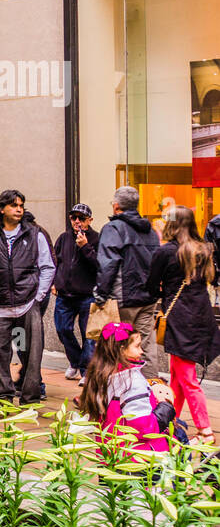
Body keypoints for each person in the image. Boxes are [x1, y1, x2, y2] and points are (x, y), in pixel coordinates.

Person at [0, 189, 54, 404]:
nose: (19, 209)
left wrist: (38, 296)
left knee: (30, 354)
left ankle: (30, 397)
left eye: (21, 205)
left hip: (27, 305)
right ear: (1, 209)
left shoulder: (35, 234)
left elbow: (47, 267)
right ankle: (2, 398)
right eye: (14, 205)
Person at [146, 206, 220, 445]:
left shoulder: (166, 252)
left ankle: (205, 430)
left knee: (186, 377)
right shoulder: (205, 250)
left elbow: (150, 285)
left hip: (178, 319)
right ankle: (169, 421)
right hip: (202, 315)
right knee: (177, 373)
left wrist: (160, 290)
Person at [94, 185, 161, 372]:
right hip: (148, 298)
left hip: (123, 298)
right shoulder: (150, 231)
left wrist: (100, 295)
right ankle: (151, 388)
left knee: (116, 347)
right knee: (145, 346)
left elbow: (107, 264)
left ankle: (114, 391)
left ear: (116, 206)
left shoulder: (113, 228)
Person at [80, 323, 171, 460]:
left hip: (108, 454)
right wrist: (165, 409)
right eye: (137, 346)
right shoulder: (132, 381)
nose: (141, 351)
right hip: (138, 457)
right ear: (122, 350)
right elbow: (143, 427)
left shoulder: (99, 375)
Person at [52, 203, 101, 384]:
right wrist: (54, 283)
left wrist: (85, 247)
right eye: (74, 217)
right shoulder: (64, 238)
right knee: (62, 329)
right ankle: (75, 361)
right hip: (65, 295)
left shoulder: (96, 239)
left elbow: (100, 265)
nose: (77, 221)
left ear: (90, 220)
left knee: (88, 335)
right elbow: (55, 261)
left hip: (88, 295)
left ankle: (86, 371)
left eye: (81, 218)